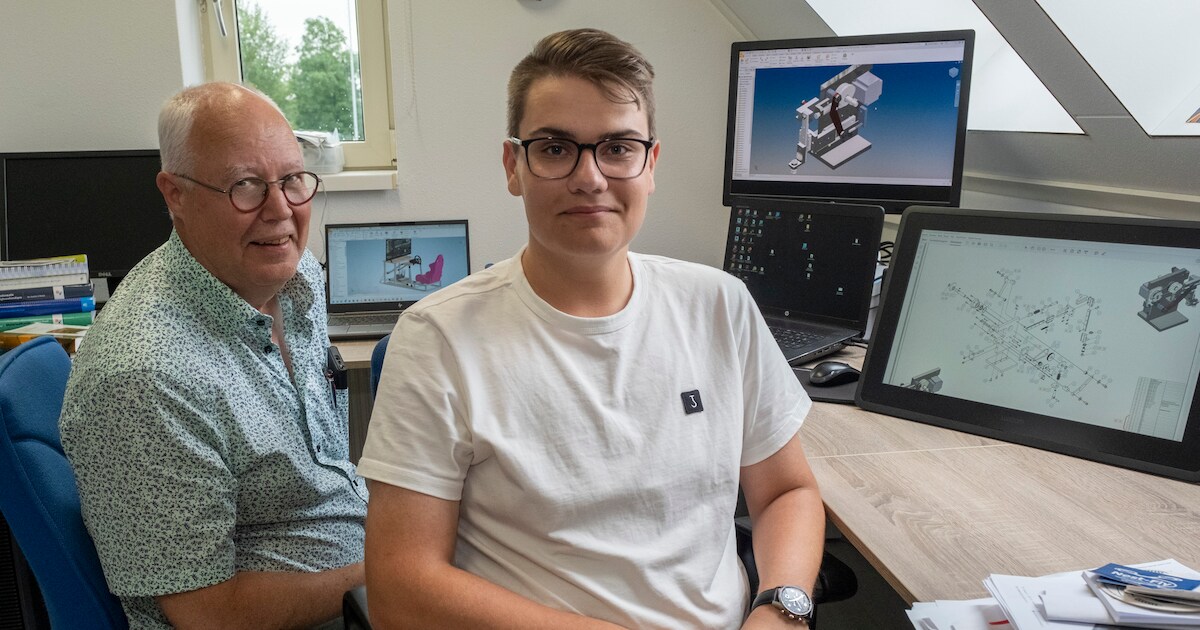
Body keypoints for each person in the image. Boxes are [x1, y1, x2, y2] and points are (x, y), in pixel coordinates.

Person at [359, 28, 825, 629]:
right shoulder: (438, 339)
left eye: (618, 147)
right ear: (513, 166)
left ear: (650, 164)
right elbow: (401, 590)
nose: (591, 177)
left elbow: (787, 493)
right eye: (555, 148)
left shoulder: (720, 305)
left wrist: (779, 611)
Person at [59, 82, 367, 629]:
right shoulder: (147, 376)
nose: (281, 211)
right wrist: (395, 575)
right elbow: (208, 614)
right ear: (174, 193)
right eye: (245, 185)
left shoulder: (295, 279)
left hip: (358, 563)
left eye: (293, 180)